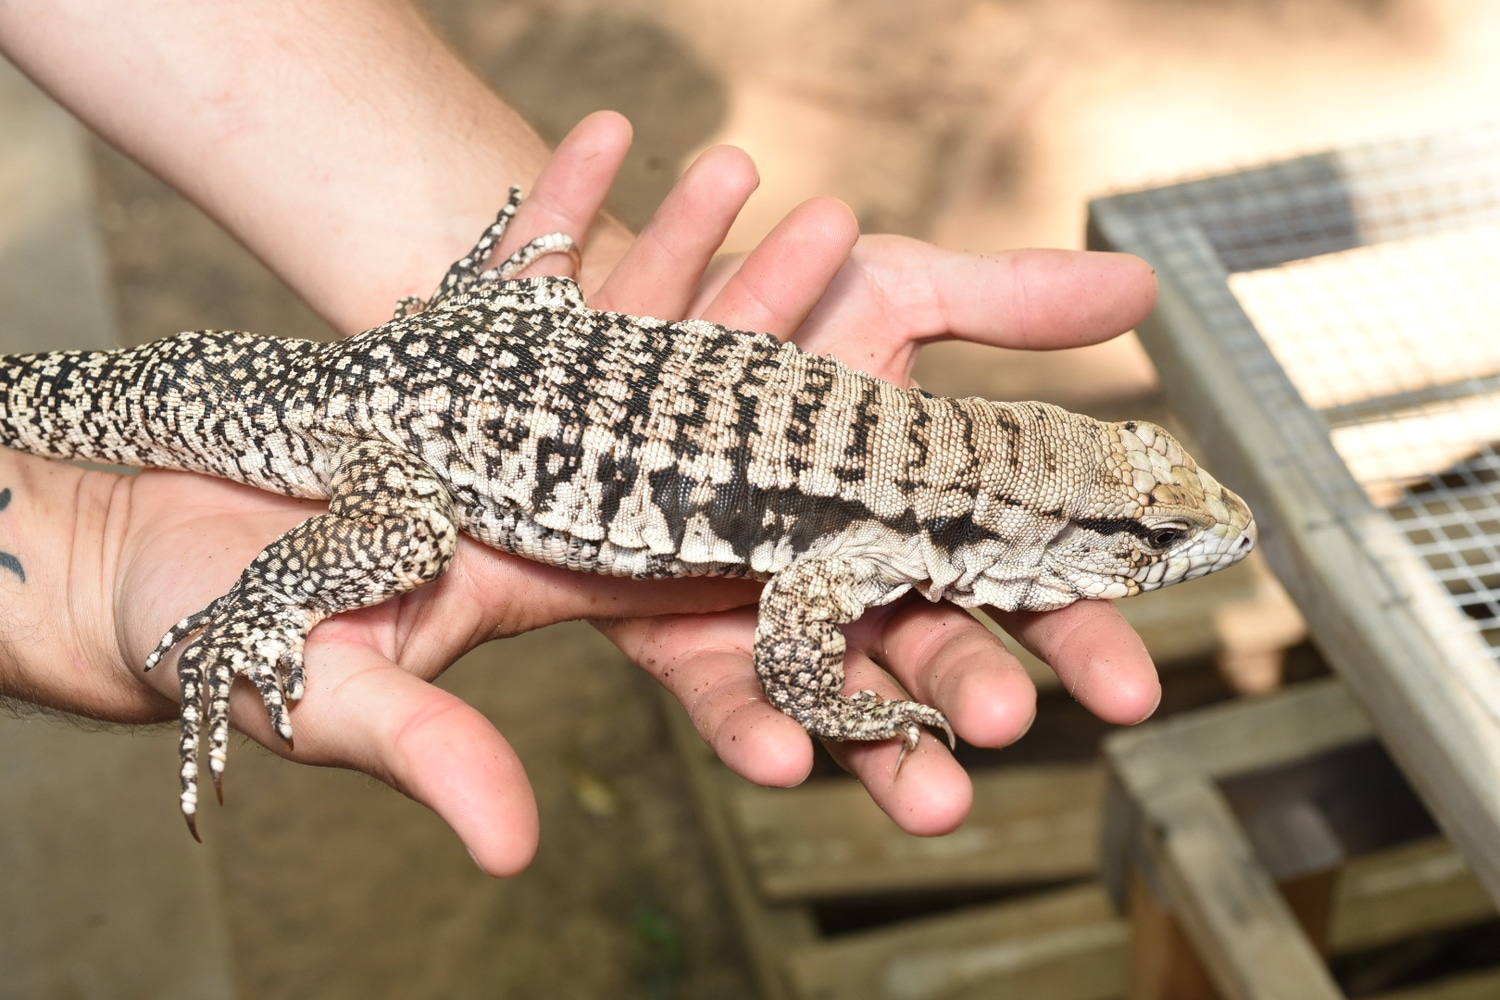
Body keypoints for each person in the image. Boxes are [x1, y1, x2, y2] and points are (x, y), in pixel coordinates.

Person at [0, 0, 1161, 875]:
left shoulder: (904, 460)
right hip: (390, 427)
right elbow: (794, 657)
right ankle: (253, 608)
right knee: (407, 545)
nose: (1164, 548)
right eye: (1145, 543)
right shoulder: (879, 535)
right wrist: (845, 707)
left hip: (438, 367)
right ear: (1052, 525)